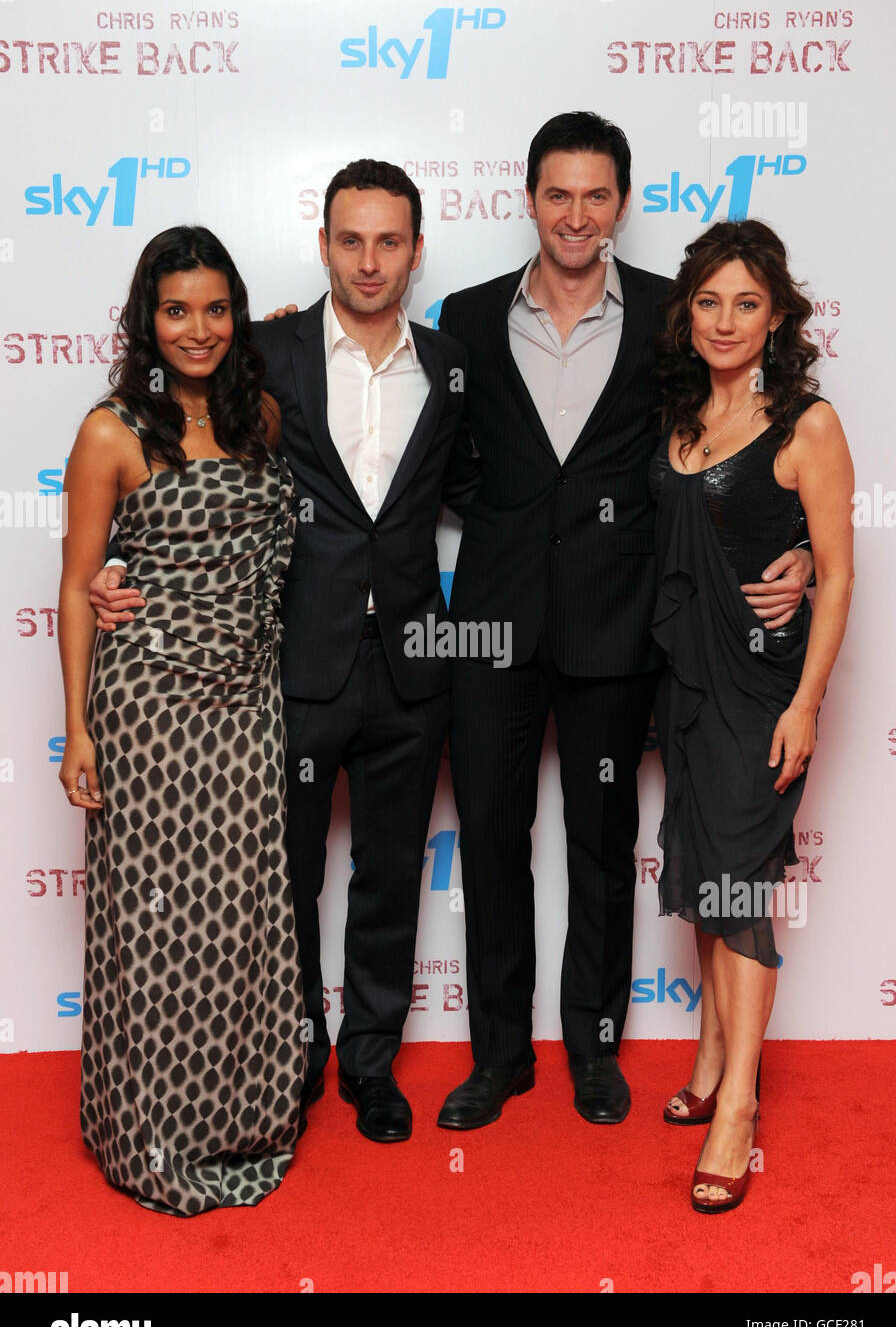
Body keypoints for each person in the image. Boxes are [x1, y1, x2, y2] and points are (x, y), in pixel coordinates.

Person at [434, 112, 815, 1131]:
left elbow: (723, 459)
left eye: (594, 195)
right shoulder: (464, 320)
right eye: (555, 193)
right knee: (491, 843)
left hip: (619, 626)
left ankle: (594, 1055)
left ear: (621, 203)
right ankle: (499, 1059)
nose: (574, 214)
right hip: (491, 630)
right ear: (527, 198)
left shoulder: (667, 316)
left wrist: (808, 545)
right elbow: (429, 460)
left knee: (602, 844)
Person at [90, 162, 477, 1144]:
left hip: (411, 665)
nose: (369, 260)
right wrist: (114, 567)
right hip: (288, 667)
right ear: (323, 244)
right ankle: (291, 1055)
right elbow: (173, 456)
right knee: (284, 878)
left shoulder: (450, 364)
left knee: (389, 872)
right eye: (351, 239)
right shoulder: (259, 353)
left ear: (416, 251)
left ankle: (371, 1064)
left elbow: (495, 498)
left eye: (389, 241)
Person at [58, 225, 307, 1216]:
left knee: (239, 919)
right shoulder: (111, 430)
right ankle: (149, 1129)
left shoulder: (264, 418)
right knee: (150, 928)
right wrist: (76, 727)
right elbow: (80, 588)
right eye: (175, 310)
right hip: (150, 709)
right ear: (145, 320)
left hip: (249, 705)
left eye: (215, 308)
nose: (196, 329)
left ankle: (235, 1115)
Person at [650, 219, 854, 1211]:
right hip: (684, 686)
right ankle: (708, 1061)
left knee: (738, 889)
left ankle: (736, 1109)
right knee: (704, 877)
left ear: (776, 317)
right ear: (687, 313)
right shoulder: (678, 412)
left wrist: (807, 703)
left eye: (746, 303)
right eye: (709, 301)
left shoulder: (805, 423)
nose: (726, 320)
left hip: (761, 692)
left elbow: (840, 570)